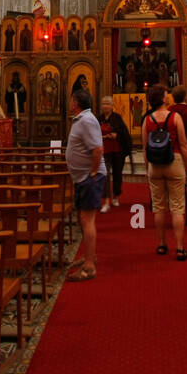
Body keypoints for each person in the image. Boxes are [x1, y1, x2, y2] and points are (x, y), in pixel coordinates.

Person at [143, 84, 187, 261]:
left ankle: (162, 244)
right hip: (175, 161)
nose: (169, 96)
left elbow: (144, 148)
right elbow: (184, 145)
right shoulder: (175, 117)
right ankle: (179, 248)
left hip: (155, 165)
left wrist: (149, 167)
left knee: (158, 207)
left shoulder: (147, 120)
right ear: (163, 98)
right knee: (178, 206)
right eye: (166, 94)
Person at [65, 89, 105, 281]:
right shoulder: (81, 120)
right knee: (83, 218)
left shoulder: (87, 120)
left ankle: (89, 267)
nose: (69, 103)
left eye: (71, 100)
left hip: (88, 178)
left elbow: (97, 149)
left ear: (76, 103)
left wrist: (93, 173)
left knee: (87, 220)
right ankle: (89, 255)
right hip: (82, 178)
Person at [98, 95, 132, 212]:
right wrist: (104, 136)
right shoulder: (99, 118)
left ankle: (116, 196)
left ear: (112, 106)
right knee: (105, 175)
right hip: (104, 151)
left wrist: (116, 135)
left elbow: (124, 133)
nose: (106, 106)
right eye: (104, 104)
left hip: (117, 151)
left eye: (108, 104)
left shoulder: (117, 118)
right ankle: (106, 200)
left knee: (117, 174)